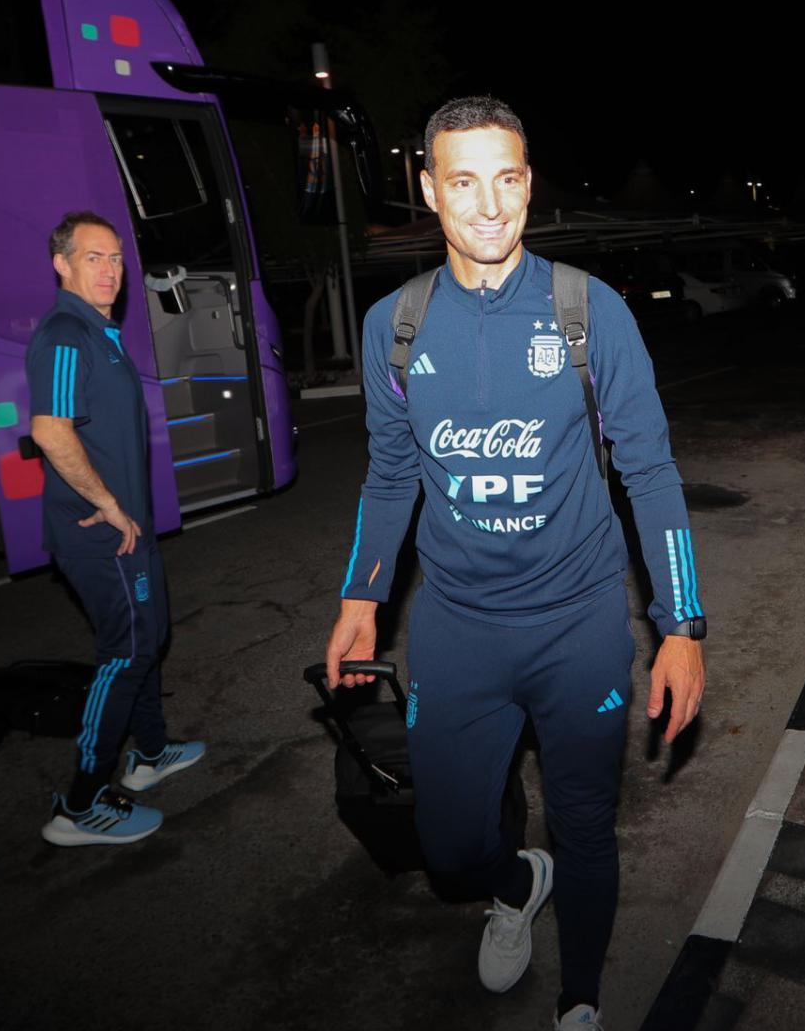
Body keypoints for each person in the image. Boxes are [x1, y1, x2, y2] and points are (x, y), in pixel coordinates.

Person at [322, 97, 707, 1031]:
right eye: (464, 182)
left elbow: (650, 472)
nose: (489, 205)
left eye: (507, 179)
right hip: (457, 630)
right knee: (450, 848)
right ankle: (514, 882)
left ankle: (580, 1000)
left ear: (529, 183)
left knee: (585, 825)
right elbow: (391, 473)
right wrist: (361, 599)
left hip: (580, 624)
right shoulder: (394, 326)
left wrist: (682, 624)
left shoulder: (589, 310)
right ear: (429, 191)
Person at [26, 211, 204, 846]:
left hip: (129, 526)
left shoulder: (99, 331)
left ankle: (149, 753)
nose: (109, 270)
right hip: (101, 531)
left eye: (116, 258)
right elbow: (50, 430)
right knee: (125, 651)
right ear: (62, 264)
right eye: (93, 257)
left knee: (149, 636)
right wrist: (106, 502)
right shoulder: (66, 334)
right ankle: (79, 805)